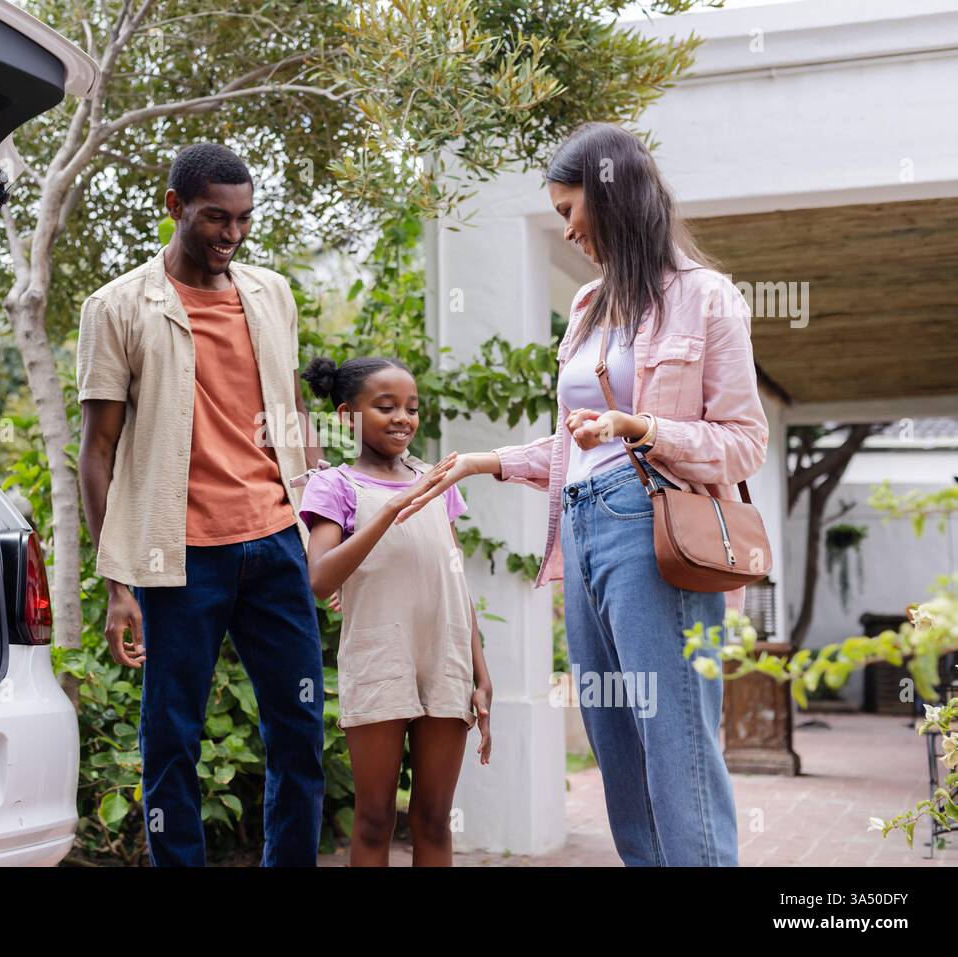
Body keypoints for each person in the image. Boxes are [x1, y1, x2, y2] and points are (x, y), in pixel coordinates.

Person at [401, 122, 769, 866]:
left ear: (612, 197)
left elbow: (743, 440)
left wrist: (646, 426)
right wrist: (488, 459)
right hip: (582, 527)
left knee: (674, 739)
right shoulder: (590, 306)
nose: (566, 229)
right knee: (617, 745)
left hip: (653, 531)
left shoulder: (707, 298)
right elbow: (580, 444)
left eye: (571, 210)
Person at [76, 143, 329, 867]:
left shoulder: (271, 293)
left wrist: (318, 528)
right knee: (171, 739)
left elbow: (291, 412)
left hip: (277, 543)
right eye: (216, 218)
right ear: (175, 207)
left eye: (244, 219)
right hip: (176, 556)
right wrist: (116, 582)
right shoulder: (118, 307)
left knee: (300, 727)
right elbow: (97, 449)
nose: (231, 234)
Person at [298, 355, 492, 867]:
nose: (403, 417)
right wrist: (387, 510)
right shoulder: (334, 484)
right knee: (376, 818)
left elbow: (454, 574)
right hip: (379, 656)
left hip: (445, 660)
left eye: (411, 407)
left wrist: (481, 669)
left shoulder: (436, 480)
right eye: (385, 407)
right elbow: (319, 580)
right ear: (347, 416)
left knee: (433, 817)